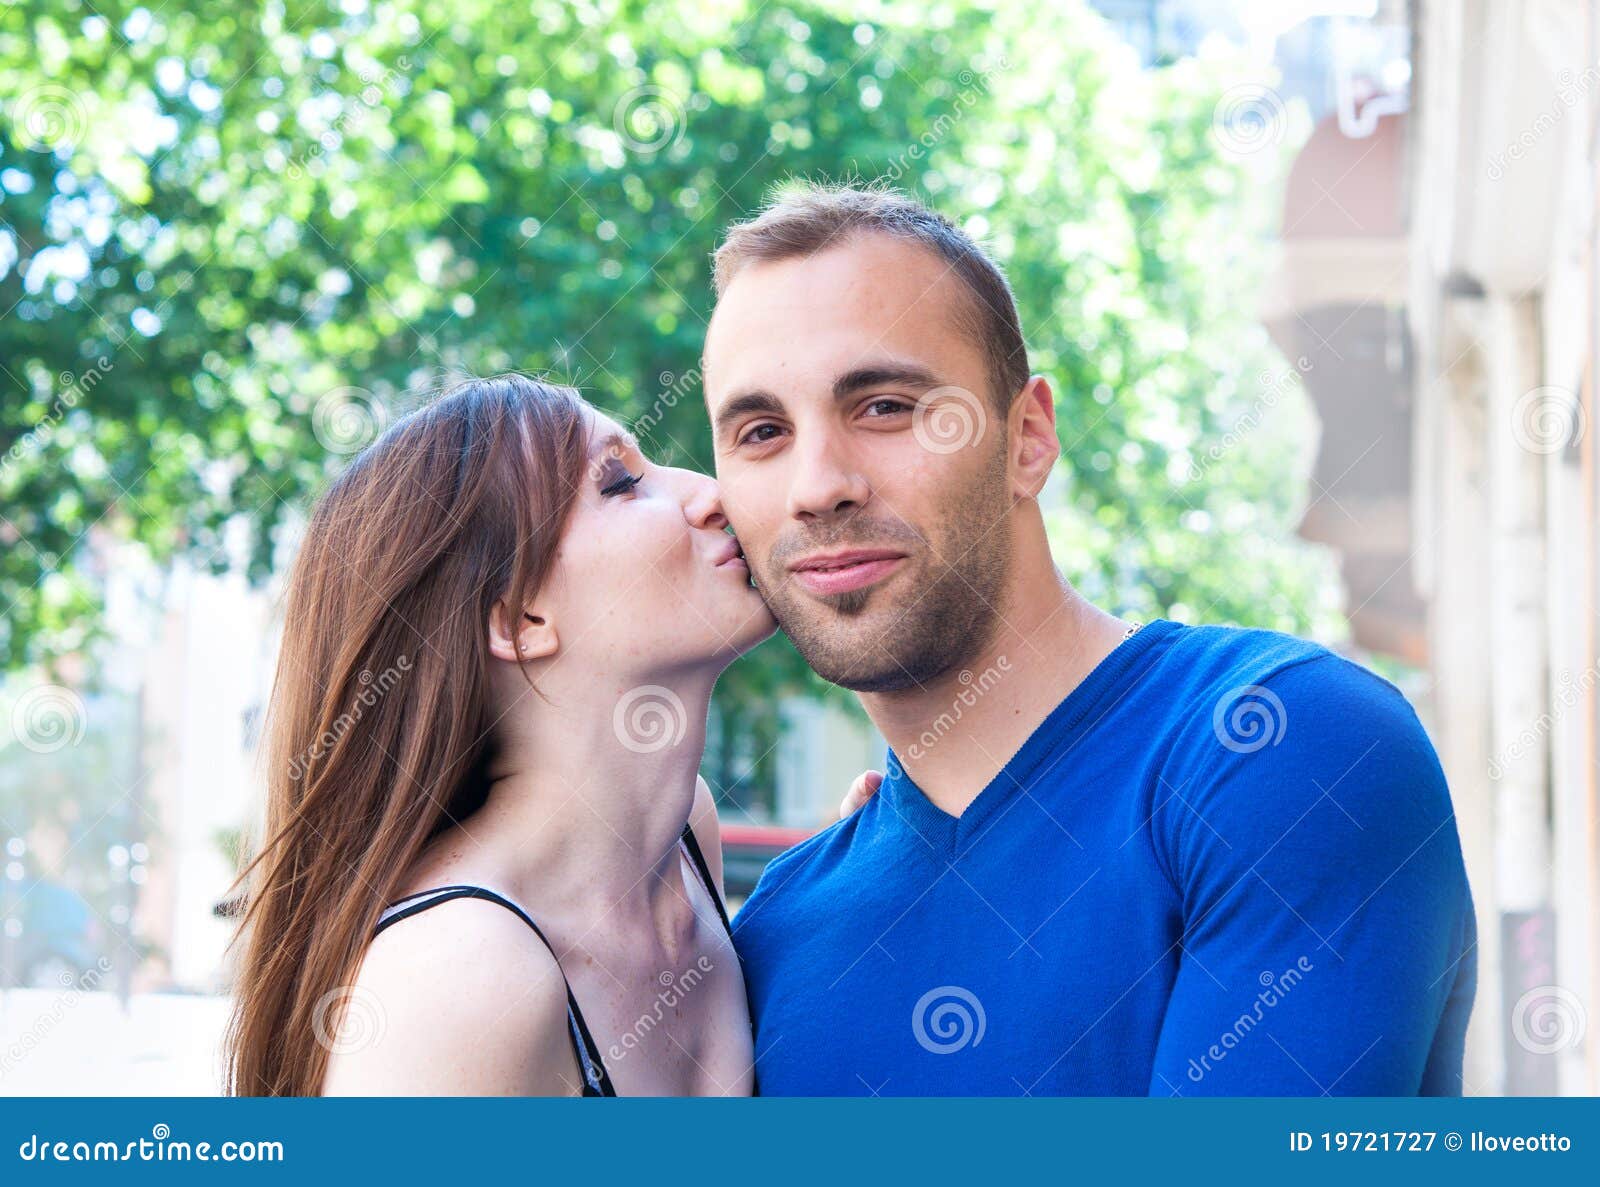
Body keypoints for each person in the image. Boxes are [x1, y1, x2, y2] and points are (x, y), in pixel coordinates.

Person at [704, 184, 1478, 1095]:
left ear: (1028, 436)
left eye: (883, 406)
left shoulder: (1286, 746)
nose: (817, 484)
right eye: (761, 432)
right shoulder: (778, 932)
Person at [225, 374, 774, 1095]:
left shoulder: (683, 839)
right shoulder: (460, 975)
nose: (713, 493)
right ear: (520, 620)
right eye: (620, 483)